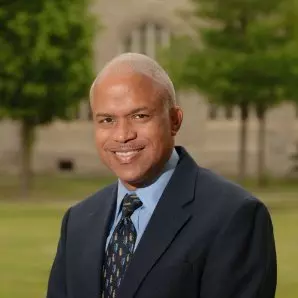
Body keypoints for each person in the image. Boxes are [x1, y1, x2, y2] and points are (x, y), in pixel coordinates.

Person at [46, 53, 277, 298]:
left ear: (174, 120)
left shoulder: (234, 216)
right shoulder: (78, 221)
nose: (122, 135)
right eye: (107, 120)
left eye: (139, 116)